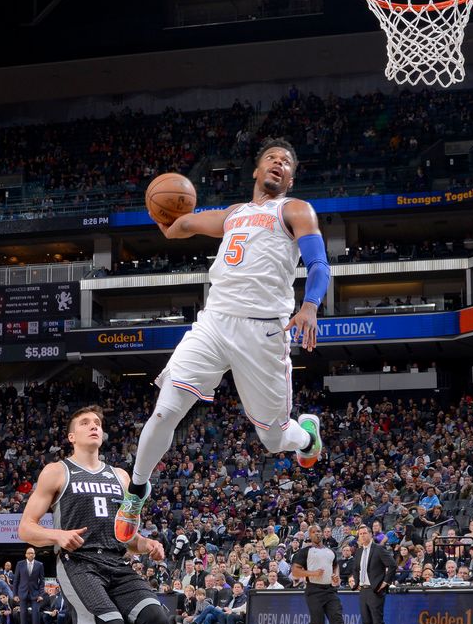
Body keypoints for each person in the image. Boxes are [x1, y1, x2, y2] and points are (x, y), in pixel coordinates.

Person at [117, 140, 329, 542]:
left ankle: (306, 436)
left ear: (291, 177)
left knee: (272, 440)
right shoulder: (233, 214)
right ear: (257, 170)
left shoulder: (295, 210)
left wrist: (310, 305)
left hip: (263, 331)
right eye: (272, 158)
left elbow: (319, 262)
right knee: (166, 410)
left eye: (286, 161)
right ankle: (137, 492)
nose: (279, 163)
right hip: (214, 323)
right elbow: (181, 227)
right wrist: (161, 214)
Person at [17, 405, 175, 624]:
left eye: (98, 423)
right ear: (71, 436)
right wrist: (57, 535)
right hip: (80, 564)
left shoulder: (120, 476)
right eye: (85, 423)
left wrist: (146, 544)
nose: (93, 426)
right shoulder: (57, 471)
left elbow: (127, 534)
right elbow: (26, 527)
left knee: (158, 621)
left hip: (116, 562)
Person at [291, 523, 358, 624]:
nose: (317, 533)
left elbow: (335, 566)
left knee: (337, 621)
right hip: (313, 591)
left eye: (319, 531)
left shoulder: (331, 552)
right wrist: (312, 573)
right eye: (314, 532)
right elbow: (295, 571)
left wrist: (336, 576)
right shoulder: (305, 552)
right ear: (309, 535)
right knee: (318, 622)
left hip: (330, 591)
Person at [353, 525, 395, 624]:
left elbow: (392, 565)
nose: (362, 536)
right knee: (367, 622)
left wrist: (385, 582)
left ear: (370, 534)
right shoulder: (359, 551)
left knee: (377, 622)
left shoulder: (378, 549)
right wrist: (356, 582)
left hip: (375, 590)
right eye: (360, 534)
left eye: (365, 533)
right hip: (363, 590)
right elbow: (355, 569)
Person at [14, 546, 46, 624]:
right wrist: (15, 594)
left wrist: (41, 594)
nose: (30, 554)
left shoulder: (39, 565)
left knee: (35, 613)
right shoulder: (20, 564)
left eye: (32, 553)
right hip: (22, 593)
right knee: (23, 614)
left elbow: (42, 581)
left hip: (35, 593)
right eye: (29, 553)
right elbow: (16, 580)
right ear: (26, 555)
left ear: (34, 555)